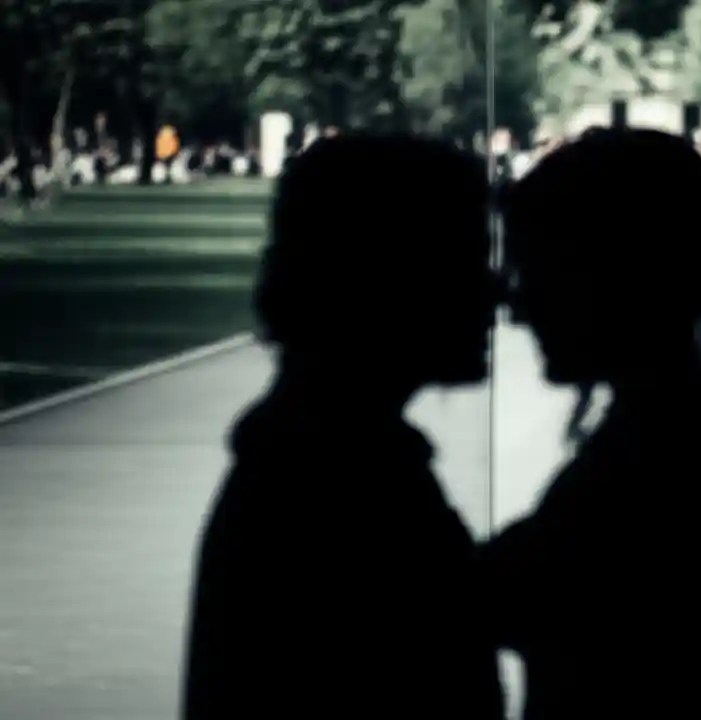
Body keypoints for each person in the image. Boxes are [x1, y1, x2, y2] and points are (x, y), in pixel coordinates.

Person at [181, 136, 504, 718]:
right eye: (469, 257)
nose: (495, 289)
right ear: (384, 276)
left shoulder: (309, 462)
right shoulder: (345, 488)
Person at [485, 127, 701, 718]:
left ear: (614, 277)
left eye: (539, 270)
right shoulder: (676, 432)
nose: (519, 304)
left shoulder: (649, 463)